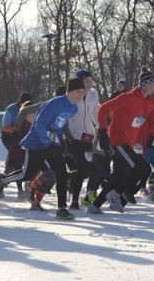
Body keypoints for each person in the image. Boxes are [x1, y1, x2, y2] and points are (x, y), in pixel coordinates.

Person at [0, 79, 84, 220]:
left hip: (51, 144)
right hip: (36, 142)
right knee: (27, 174)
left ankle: (62, 209)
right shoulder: (54, 103)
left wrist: (60, 142)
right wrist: (47, 140)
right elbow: (39, 124)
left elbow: (59, 126)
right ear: (69, 91)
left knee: (61, 174)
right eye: (78, 91)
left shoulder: (74, 108)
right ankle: (3, 180)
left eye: (83, 92)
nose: (81, 95)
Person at [89, 70, 154, 214]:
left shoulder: (151, 103)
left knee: (118, 176)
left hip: (130, 144)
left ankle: (95, 206)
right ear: (144, 84)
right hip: (118, 140)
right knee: (142, 169)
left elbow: (151, 125)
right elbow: (104, 110)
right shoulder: (127, 97)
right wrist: (102, 131)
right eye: (152, 83)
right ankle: (116, 196)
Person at [63, 70, 99, 210]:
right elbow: (65, 118)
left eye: (91, 81)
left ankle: (70, 179)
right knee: (82, 166)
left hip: (89, 136)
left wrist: (100, 129)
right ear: (79, 81)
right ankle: (75, 201)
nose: (89, 84)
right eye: (86, 81)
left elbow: (96, 114)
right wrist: (70, 137)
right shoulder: (71, 96)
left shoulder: (94, 94)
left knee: (88, 170)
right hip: (75, 137)